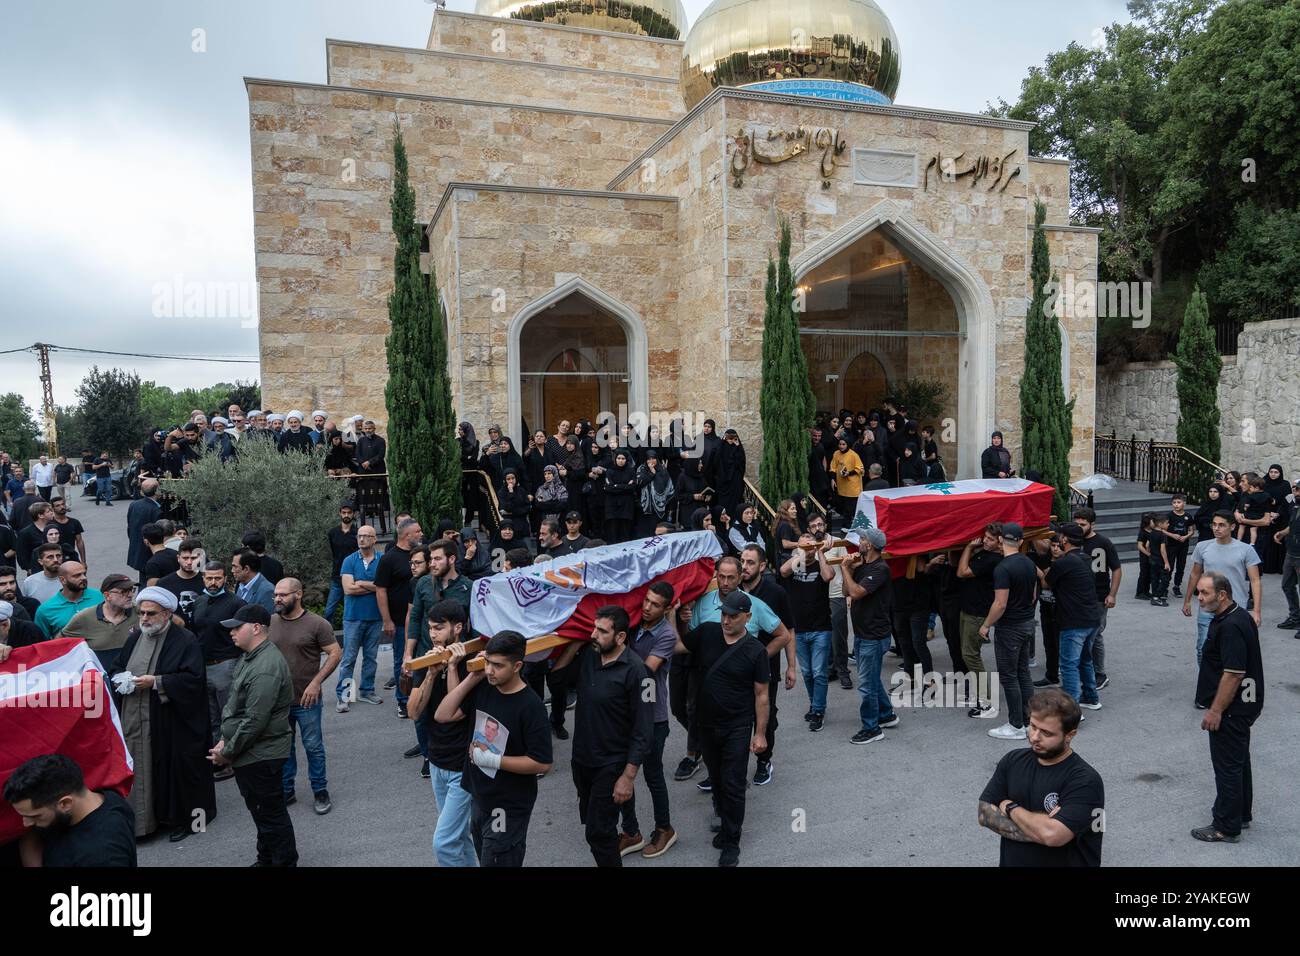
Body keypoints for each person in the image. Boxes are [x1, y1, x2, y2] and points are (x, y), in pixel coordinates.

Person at [436, 631, 554, 867]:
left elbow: (542, 763)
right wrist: (472, 679)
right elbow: (443, 715)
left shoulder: (531, 706)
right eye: (488, 662)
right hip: (479, 797)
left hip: (508, 806)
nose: (489, 670)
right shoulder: (484, 687)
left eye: (498, 665)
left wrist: (494, 760)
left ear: (517, 665)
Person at [108, 586, 216, 842]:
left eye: (150, 613)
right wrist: (120, 678)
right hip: (136, 721)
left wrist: (156, 682)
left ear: (166, 614)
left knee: (177, 772)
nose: (144, 618)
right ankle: (146, 821)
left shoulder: (185, 640)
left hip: (171, 724)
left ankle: (187, 821)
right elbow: (117, 666)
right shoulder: (135, 637)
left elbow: (193, 680)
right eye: (141, 613)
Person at [674, 590, 769, 867]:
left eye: (733, 616)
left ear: (747, 617)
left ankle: (731, 841)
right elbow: (679, 646)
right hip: (706, 725)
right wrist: (674, 615)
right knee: (716, 780)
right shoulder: (706, 632)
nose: (726, 621)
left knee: (734, 783)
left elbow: (761, 695)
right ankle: (726, 823)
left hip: (737, 727)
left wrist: (760, 733)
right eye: (724, 615)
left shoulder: (755, 651)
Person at [210, 604, 298, 866]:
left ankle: (283, 862)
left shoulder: (264, 666)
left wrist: (227, 750)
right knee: (263, 813)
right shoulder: (253, 657)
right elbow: (240, 711)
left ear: (256, 628)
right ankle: (267, 859)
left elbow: (255, 720)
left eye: (237, 627)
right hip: (254, 751)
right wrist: (227, 740)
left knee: (270, 815)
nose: (232, 633)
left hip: (260, 754)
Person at [977, 689, 1104, 866]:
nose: (1035, 737)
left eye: (1046, 733)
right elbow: (984, 813)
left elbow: (1053, 835)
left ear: (1070, 735)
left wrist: (1010, 807)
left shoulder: (1085, 781)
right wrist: (1041, 829)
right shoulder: (1013, 761)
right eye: (1033, 726)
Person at [570, 605, 652, 867]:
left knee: (599, 832)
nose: (594, 634)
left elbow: (643, 730)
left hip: (611, 764)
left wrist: (628, 777)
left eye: (602, 631)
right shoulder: (589, 657)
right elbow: (558, 679)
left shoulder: (638, 672)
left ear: (620, 637)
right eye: (594, 628)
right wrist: (569, 640)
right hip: (583, 762)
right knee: (596, 830)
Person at [1191, 572, 1264, 843]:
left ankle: (1226, 826)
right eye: (1199, 592)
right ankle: (1241, 814)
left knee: (1228, 767)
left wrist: (1216, 710)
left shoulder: (1230, 625)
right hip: (1243, 706)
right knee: (1238, 761)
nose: (1199, 598)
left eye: (1204, 593)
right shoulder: (1237, 616)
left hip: (1232, 709)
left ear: (1222, 595)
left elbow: (1233, 672)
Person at [406, 601, 477, 866]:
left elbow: (451, 712)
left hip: (463, 767)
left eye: (439, 628)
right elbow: (414, 712)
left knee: (444, 844)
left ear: (457, 628)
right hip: (437, 763)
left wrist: (454, 666)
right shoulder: (429, 659)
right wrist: (431, 675)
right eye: (430, 628)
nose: (433, 634)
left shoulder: (473, 662)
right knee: (460, 837)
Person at [269, 577, 341, 815]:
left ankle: (320, 791)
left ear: (298, 594)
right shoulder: (270, 623)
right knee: (284, 747)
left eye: (283, 595)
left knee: (313, 747)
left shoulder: (317, 624)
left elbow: (334, 653)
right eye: (276, 595)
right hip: (278, 701)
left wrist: (316, 683)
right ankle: (286, 789)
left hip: (307, 700)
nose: (277, 599)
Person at [617, 581, 678, 859]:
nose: (647, 607)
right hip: (626, 715)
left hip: (654, 718)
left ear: (666, 609)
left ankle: (664, 828)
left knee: (653, 775)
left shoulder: (666, 635)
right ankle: (631, 832)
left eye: (655, 605)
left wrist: (615, 648)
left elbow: (645, 671)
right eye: (646, 601)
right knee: (621, 775)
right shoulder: (633, 625)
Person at [3, 754, 136, 867]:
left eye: (35, 816)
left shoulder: (101, 857)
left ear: (65, 803)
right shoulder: (103, 797)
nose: (25, 823)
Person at [979, 524, 1039, 741]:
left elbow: (1000, 603)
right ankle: (1027, 721)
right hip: (1026, 623)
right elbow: (1033, 595)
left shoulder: (1003, 568)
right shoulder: (1028, 562)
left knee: (1009, 676)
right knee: (1023, 673)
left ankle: (1016, 725)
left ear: (1002, 540)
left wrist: (986, 625)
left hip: (1010, 627)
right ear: (1021, 541)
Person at [841, 527, 899, 745]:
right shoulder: (863, 566)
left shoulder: (880, 569)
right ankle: (886, 715)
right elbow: (847, 592)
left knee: (866, 684)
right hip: (863, 633)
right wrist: (851, 570)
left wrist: (845, 568)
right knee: (872, 679)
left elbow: (856, 593)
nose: (859, 541)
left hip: (873, 636)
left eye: (863, 538)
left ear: (871, 545)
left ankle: (871, 728)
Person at [1182, 512, 1262, 665]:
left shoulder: (1246, 550)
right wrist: (1187, 601)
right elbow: (1194, 574)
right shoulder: (1202, 546)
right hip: (1207, 607)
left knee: (1232, 650)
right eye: (1214, 524)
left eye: (1221, 525)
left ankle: (1226, 684)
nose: (1216, 528)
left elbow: (1255, 580)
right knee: (1203, 648)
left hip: (1235, 608)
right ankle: (1207, 682)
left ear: (1232, 526)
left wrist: (1256, 611)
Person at [190, 561, 245, 777]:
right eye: (209, 578)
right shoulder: (199, 601)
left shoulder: (236, 603)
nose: (213, 582)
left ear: (225, 579)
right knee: (212, 718)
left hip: (226, 665)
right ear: (203, 578)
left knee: (229, 716)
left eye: (218, 578)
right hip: (204, 667)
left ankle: (234, 760)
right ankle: (220, 760)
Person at [1040, 525, 1102, 709]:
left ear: (1065, 540)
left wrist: (1037, 570)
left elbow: (1045, 583)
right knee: (1084, 660)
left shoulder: (1064, 562)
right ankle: (1091, 698)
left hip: (1073, 621)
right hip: (1091, 618)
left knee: (1068, 665)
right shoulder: (1084, 557)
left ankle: (1071, 709)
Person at [781, 532, 835, 732]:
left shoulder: (821, 562)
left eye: (810, 545)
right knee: (808, 673)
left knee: (820, 672)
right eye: (804, 545)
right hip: (799, 629)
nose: (808, 549)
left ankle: (818, 711)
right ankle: (815, 705)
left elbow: (828, 575)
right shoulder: (795, 562)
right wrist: (802, 552)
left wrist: (819, 552)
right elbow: (784, 571)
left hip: (821, 627)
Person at [957, 524, 1003, 717]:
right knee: (968, 654)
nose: (985, 540)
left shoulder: (992, 559)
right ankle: (981, 695)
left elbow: (961, 572)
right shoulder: (983, 553)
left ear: (1000, 541)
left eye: (990, 539)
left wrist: (968, 548)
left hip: (977, 613)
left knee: (971, 655)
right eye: (985, 536)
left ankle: (987, 702)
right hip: (969, 610)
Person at [337, 525, 384, 712]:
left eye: (366, 536)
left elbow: (384, 586)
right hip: (353, 618)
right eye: (360, 536)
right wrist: (375, 586)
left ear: (374, 540)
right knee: (349, 658)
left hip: (375, 616)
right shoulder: (349, 560)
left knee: (371, 657)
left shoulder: (382, 560)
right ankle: (344, 695)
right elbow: (348, 589)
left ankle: (367, 690)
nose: (362, 539)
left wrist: (363, 583)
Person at [1073, 508, 1121, 691]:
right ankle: (1083, 668)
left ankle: (1099, 673)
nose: (1079, 527)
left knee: (1096, 635)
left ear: (1092, 524)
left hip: (1099, 596)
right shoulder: (1073, 541)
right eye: (1076, 524)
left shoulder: (1103, 542)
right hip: (1078, 597)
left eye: (1083, 525)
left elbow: (1116, 569)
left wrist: (1112, 594)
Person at [377, 517, 420, 718]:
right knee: (401, 661)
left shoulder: (421, 555)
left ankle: (420, 695)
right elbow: (381, 590)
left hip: (422, 618)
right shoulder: (389, 559)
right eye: (417, 532)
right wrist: (387, 620)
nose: (421, 534)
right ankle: (403, 701)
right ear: (406, 535)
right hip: (399, 620)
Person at [60, 573, 138, 673]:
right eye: (123, 592)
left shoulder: (140, 612)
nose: (131, 595)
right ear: (107, 595)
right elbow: (61, 643)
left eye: (132, 590)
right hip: (100, 681)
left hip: (131, 679)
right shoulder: (84, 617)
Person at [34, 562, 104, 639]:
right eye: (77, 575)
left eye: (84, 574)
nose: (83, 578)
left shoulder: (99, 596)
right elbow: (41, 643)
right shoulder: (45, 610)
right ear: (63, 580)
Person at [325, 502, 359, 626]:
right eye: (344, 512)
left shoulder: (358, 533)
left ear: (353, 514)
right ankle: (328, 637)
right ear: (340, 513)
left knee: (350, 611)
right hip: (337, 577)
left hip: (353, 577)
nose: (346, 515)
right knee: (329, 611)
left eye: (349, 513)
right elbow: (334, 553)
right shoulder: (332, 533)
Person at [126, 479, 162, 580]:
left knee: (143, 579)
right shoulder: (156, 510)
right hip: (150, 552)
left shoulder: (134, 505)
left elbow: (130, 527)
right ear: (157, 491)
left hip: (138, 550)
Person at [1273, 506, 1300, 630]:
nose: (1296, 492)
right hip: (1291, 553)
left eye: (1298, 489)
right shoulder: (1295, 507)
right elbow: (1293, 525)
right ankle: (1295, 618)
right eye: (1295, 489)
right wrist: (1282, 533)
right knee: (1287, 585)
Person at [1164, 494, 1195, 597]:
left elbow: (1191, 531)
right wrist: (1172, 535)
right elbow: (1162, 530)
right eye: (1174, 503)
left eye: (1178, 502)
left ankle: (1177, 586)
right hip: (1171, 545)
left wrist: (1186, 536)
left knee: (1181, 566)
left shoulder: (1188, 516)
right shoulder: (1169, 516)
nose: (1176, 505)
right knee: (1170, 566)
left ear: (1184, 503)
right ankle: (1165, 586)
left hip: (1183, 545)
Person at [829, 437, 864, 520]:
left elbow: (860, 468)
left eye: (843, 444)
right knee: (843, 506)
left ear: (847, 445)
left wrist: (849, 473)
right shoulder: (836, 453)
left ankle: (848, 525)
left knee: (850, 507)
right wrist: (832, 479)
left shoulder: (854, 455)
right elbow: (832, 467)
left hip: (852, 486)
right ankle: (846, 524)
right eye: (840, 444)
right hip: (841, 485)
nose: (841, 446)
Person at [231, 549, 275, 614]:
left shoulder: (267, 591)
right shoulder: (241, 585)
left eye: (235, 567)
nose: (232, 570)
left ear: (246, 569)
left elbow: (267, 620)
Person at [48, 496, 87, 565]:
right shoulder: (49, 525)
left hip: (72, 557)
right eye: (58, 505)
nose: (62, 507)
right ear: (53, 509)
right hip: (56, 560)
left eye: (63, 504)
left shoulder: (75, 522)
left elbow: (79, 541)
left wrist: (83, 561)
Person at [1148, 513, 1173, 607]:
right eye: (1167, 523)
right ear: (1160, 524)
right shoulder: (1162, 535)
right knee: (1165, 579)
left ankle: (1154, 597)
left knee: (1154, 578)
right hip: (1160, 560)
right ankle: (1157, 596)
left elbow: (1148, 546)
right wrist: (1167, 563)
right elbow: (1163, 550)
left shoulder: (1151, 533)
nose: (1168, 525)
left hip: (1152, 559)